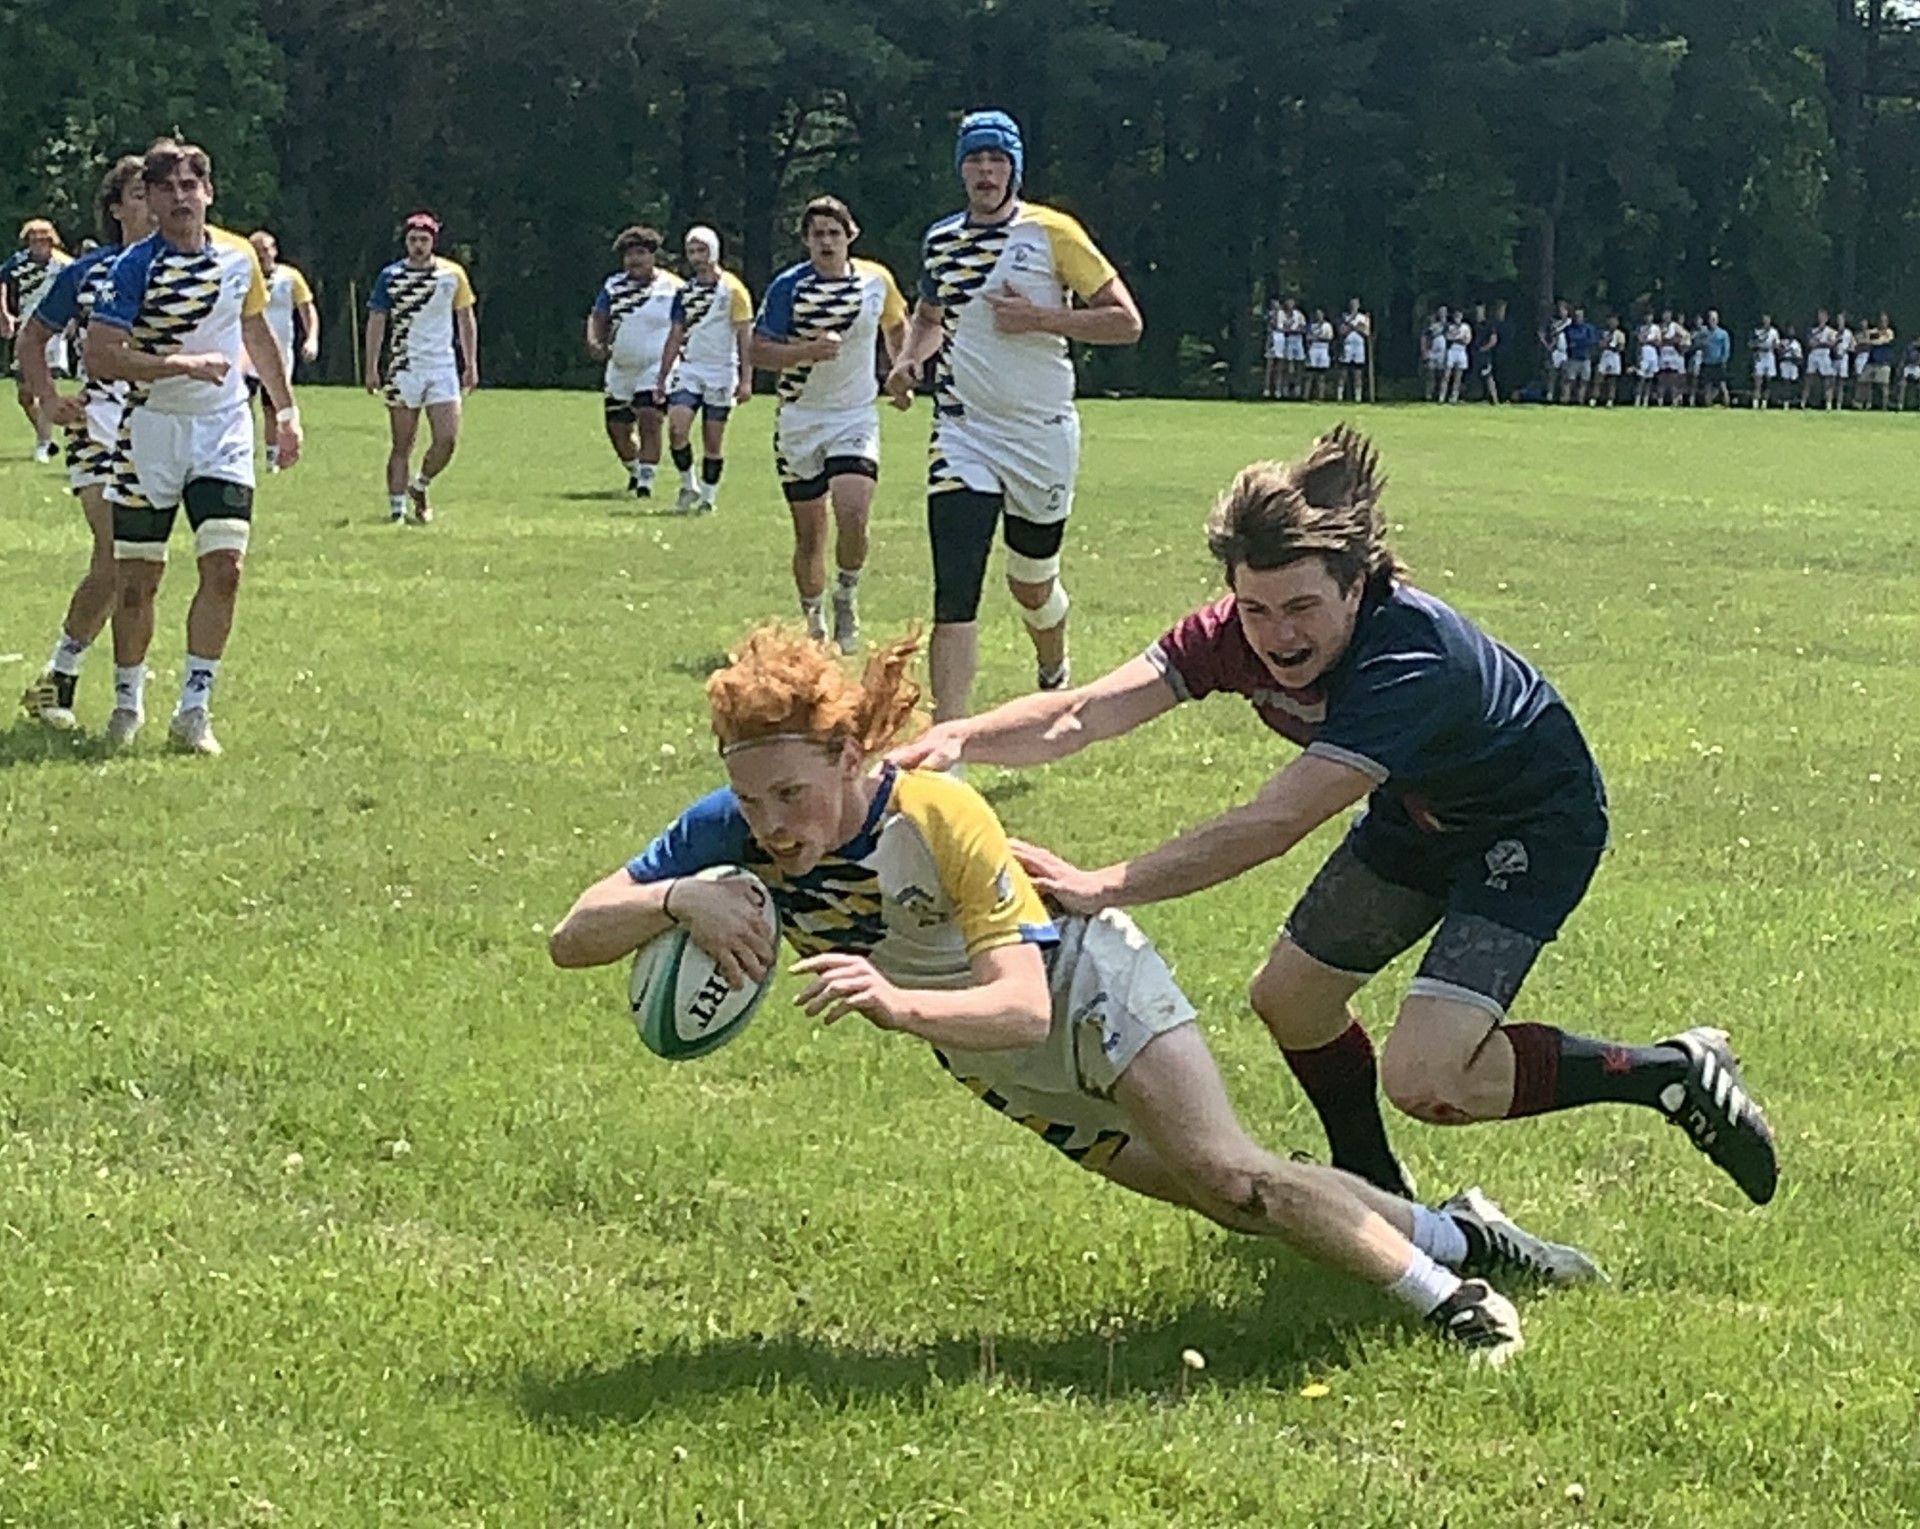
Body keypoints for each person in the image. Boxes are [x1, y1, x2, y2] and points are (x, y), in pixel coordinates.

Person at [552, 626, 1609, 1364]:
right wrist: (680, 896)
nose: (773, 824)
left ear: (847, 752)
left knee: (1232, 1172)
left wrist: (894, 1001)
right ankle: (1464, 1233)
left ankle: (1458, 1307)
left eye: (791, 793)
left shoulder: (934, 813)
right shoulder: (732, 830)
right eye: (751, 799)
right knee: (1237, 1202)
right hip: (1000, 1065)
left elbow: (1022, 1001)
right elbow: (573, 935)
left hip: (1084, 984)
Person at [891, 425, 1780, 1211]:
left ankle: (1669, 1072)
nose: (1278, 636)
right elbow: (1085, 713)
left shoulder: (1409, 660)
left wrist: (1108, 884)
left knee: (1428, 1077)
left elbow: (1274, 820)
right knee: (1290, 998)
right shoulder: (1232, 632)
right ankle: (1376, 1190)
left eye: (1302, 608)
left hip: (1531, 824)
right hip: (1421, 812)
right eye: (1256, 609)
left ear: (1356, 587)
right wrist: (960, 735)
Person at [882, 110, 1142, 721]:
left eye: (997, 160)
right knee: (955, 589)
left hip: (1040, 433)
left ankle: (1053, 664)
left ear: (1014, 170)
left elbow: (1126, 322)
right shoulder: (941, 241)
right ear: (961, 169)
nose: (985, 170)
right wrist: (910, 360)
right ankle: (948, 744)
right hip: (963, 431)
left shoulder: (1052, 233)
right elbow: (929, 315)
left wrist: (1042, 319)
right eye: (975, 159)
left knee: (1032, 583)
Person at [84, 137, 303, 756]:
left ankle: (194, 709)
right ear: (150, 199)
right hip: (150, 432)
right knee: (137, 581)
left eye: (190, 186)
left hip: (223, 431)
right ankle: (127, 703)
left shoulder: (239, 259)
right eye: (167, 189)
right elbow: (100, 355)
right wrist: (180, 365)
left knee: (225, 569)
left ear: (208, 192)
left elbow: (256, 334)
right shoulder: (134, 267)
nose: (181, 198)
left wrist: (285, 412)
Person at [16, 156, 150, 732]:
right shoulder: (88, 272)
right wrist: (49, 398)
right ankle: (88, 688)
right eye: (140, 194)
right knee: (117, 553)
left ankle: (64, 677)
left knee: (134, 565)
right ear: (116, 208)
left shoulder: (191, 268)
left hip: (162, 429)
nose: (154, 203)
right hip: (99, 429)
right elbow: (32, 337)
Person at [750, 195, 908, 651]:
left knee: (853, 512)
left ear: (850, 236)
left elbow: (897, 325)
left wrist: (899, 371)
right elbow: (758, 351)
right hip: (800, 418)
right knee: (810, 533)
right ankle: (813, 620)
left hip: (855, 415)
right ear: (806, 240)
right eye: (817, 234)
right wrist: (806, 352)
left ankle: (847, 596)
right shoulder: (788, 288)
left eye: (834, 233)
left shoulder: (876, 280)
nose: (826, 241)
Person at [364, 212, 477, 524]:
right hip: (405, 367)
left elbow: (465, 318)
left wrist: (470, 363)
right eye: (413, 239)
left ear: (433, 241)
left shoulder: (452, 275)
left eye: (423, 240)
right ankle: (397, 510)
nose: (418, 245)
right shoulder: (390, 277)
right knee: (403, 442)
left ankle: (420, 485)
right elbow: (377, 320)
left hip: (442, 367)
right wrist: (371, 365)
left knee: (447, 438)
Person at [653, 225, 753, 514]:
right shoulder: (685, 293)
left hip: (721, 371)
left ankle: (709, 497)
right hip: (691, 369)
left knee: (713, 440)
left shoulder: (733, 291)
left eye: (702, 250)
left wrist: (746, 379)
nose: (697, 257)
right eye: (692, 251)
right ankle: (688, 485)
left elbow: (745, 337)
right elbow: (675, 335)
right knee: (677, 429)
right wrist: (662, 376)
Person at [587, 224, 681, 499]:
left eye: (640, 253)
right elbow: (598, 316)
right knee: (617, 428)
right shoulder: (613, 286)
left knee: (650, 418)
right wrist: (594, 341)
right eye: (629, 255)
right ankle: (635, 470)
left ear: (653, 255)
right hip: (621, 367)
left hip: (656, 366)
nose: (634, 260)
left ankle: (646, 484)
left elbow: (688, 322)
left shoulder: (673, 287)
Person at [243, 231, 318, 472]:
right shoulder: (243, 275)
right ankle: (243, 451)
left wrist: (311, 338)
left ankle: (272, 455)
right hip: (245, 352)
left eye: (265, 250)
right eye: (257, 251)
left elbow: (307, 308)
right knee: (242, 403)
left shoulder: (290, 277)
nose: (262, 256)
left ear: (274, 250)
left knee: (272, 407)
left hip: (278, 354)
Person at [2, 217, 75, 461]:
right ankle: (48, 436)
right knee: (24, 395)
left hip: (52, 331)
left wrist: (73, 320)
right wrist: (4, 314)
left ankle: (43, 446)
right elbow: (2, 280)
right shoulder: (19, 262)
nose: (39, 245)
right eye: (33, 241)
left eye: (43, 240)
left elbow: (78, 288)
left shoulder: (63, 265)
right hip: (26, 329)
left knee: (44, 386)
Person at [1859, 313, 1896, 411]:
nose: (1883, 323)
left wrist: (1872, 341)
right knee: (1864, 382)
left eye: (1885, 321)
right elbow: (1866, 339)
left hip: (1884, 363)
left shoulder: (1889, 332)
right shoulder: (1874, 332)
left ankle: (1884, 406)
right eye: (1881, 321)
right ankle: (1866, 404)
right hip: (1872, 362)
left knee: (1884, 386)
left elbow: (1883, 341)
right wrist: (1865, 330)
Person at [1336, 297, 1369, 403]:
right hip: (1347, 347)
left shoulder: (1363, 317)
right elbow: (1342, 331)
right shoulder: (1344, 317)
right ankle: (1340, 396)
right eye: (1352, 304)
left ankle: (1358, 397)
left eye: (1355, 304)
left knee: (1358, 373)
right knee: (1343, 373)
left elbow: (1366, 332)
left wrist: (1353, 327)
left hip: (1359, 348)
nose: (1353, 306)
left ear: (1359, 305)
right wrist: (1354, 325)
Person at [1561, 307, 1596, 405]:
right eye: (1576, 316)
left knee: (1584, 381)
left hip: (1585, 358)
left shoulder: (1589, 328)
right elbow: (1570, 340)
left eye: (1580, 316)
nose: (1578, 318)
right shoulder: (1569, 328)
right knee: (1569, 381)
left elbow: (1592, 341)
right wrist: (1581, 341)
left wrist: (1578, 342)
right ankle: (1565, 401)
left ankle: (1580, 401)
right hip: (1573, 358)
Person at [1698, 310, 1731, 407]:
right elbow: (1698, 344)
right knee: (1707, 386)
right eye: (1711, 319)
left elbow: (1726, 349)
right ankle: (1708, 404)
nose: (1713, 321)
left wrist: (1724, 360)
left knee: (1722, 386)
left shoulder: (1723, 333)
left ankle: (1726, 404)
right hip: (1707, 363)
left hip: (1718, 364)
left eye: (1715, 319)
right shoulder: (1704, 333)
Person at [1804, 310, 1835, 409]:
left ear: (1827, 318)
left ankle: (1828, 403)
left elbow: (1832, 343)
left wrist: (1820, 343)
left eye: (1823, 316)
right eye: (1819, 316)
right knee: (1809, 379)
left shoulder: (1830, 331)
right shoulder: (1812, 330)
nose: (1821, 318)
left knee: (1828, 380)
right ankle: (1803, 402)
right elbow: (1811, 343)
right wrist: (1823, 342)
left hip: (1824, 355)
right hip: (1814, 355)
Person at [1471, 302, 1500, 404]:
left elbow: (1493, 340)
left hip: (1485, 355)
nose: (1478, 313)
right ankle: (1480, 397)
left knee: (1488, 376)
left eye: (1480, 311)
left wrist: (1484, 348)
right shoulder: (1474, 325)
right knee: (1476, 376)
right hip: (1475, 355)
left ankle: (1495, 399)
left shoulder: (1489, 325)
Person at [1441, 308, 1471, 404]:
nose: (1457, 318)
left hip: (1461, 351)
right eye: (1456, 316)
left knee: (1458, 376)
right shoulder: (1449, 326)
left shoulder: (1465, 327)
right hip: (1452, 351)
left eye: (1459, 316)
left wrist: (1457, 338)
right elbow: (1447, 337)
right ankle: (1442, 396)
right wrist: (1458, 338)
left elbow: (1467, 340)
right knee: (1447, 374)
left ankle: (1454, 397)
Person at [1749, 313, 1779, 409]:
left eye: (1767, 319)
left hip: (1769, 356)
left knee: (1768, 381)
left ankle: (1764, 403)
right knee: (1758, 380)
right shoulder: (1756, 331)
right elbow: (1750, 344)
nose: (1766, 321)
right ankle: (1755, 402)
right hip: (1759, 356)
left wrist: (1774, 345)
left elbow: (1777, 345)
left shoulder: (1774, 332)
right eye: (1764, 319)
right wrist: (1757, 346)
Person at [1595, 314, 1625, 406]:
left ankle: (1610, 400)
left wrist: (1612, 346)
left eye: (1614, 321)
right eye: (1610, 321)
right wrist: (1606, 343)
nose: (1612, 323)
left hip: (1614, 356)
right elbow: (1600, 344)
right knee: (1599, 377)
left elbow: (1621, 347)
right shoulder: (1604, 333)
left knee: (1612, 380)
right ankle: (1594, 398)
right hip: (1605, 355)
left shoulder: (1620, 334)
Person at [1304, 308, 1334, 400]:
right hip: (1313, 349)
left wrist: (1316, 337)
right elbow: (1308, 337)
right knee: (1310, 374)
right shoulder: (1311, 326)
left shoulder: (1327, 326)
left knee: (1321, 375)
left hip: (1323, 349)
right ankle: (1306, 395)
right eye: (1316, 314)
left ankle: (1321, 396)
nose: (1318, 316)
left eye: (1320, 314)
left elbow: (1329, 337)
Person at [1420, 307, 1446, 403]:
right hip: (1431, 351)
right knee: (1430, 373)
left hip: (1442, 353)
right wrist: (1424, 351)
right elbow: (1424, 337)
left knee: (1441, 374)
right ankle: (1429, 395)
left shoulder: (1446, 325)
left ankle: (1439, 395)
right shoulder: (1429, 327)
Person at [1778, 326, 1802, 404]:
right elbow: (1780, 354)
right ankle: (1785, 399)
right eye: (1789, 330)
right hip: (1784, 364)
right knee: (1785, 382)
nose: (1790, 332)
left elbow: (1799, 357)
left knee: (1794, 381)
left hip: (1793, 364)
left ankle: (1794, 398)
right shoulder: (1782, 342)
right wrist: (1785, 353)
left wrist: (1794, 357)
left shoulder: (1797, 343)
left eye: (1792, 331)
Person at [1899, 334, 1920, 411]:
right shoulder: (1909, 347)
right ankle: (1900, 404)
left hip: (1917, 368)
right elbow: (1904, 358)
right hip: (1908, 367)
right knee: (1902, 385)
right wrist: (1901, 369)